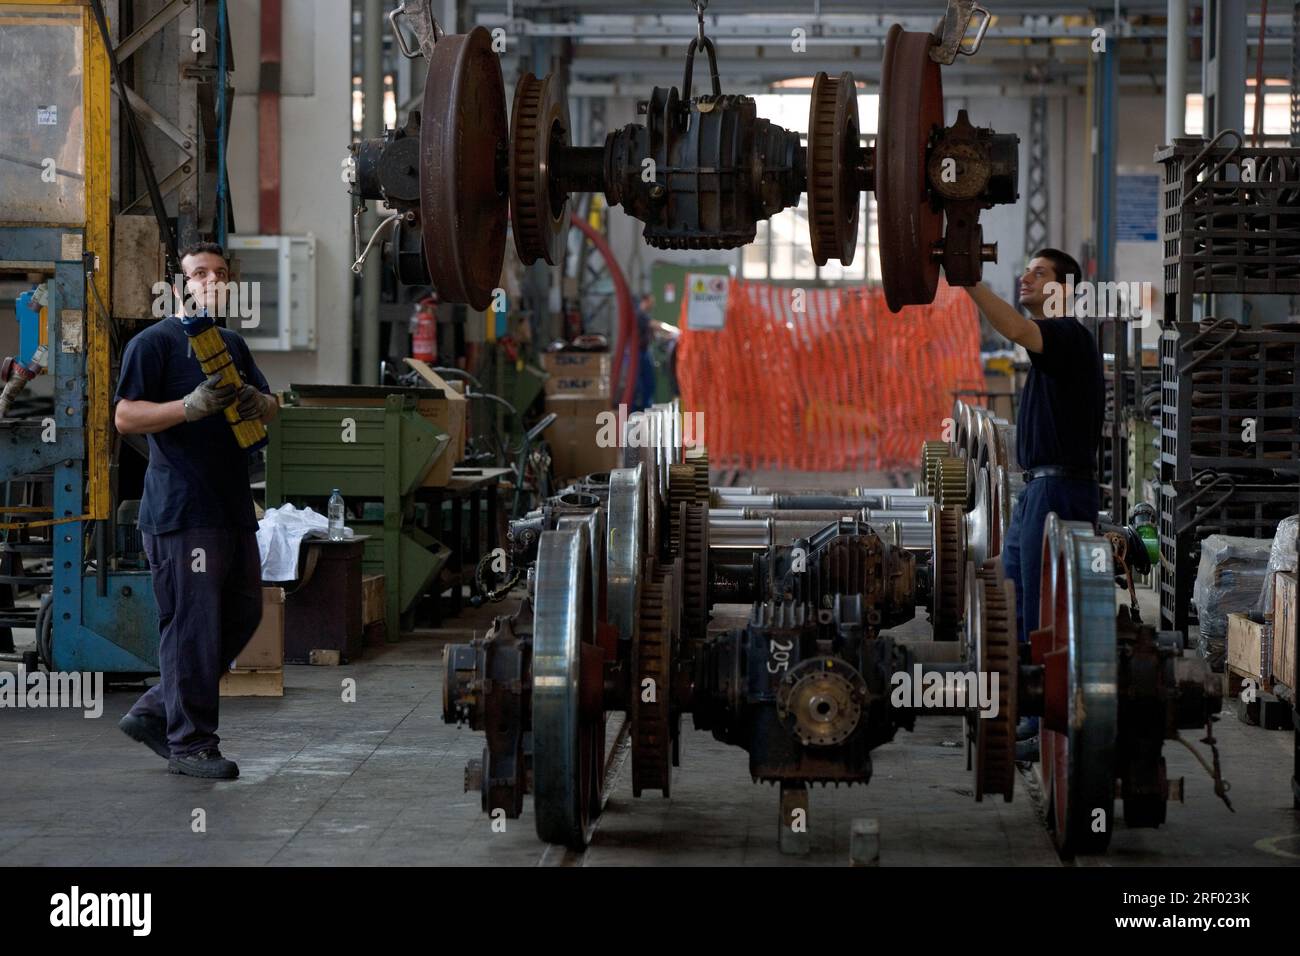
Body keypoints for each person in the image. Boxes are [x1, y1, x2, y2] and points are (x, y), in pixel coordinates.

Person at [113, 242, 279, 779]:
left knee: (244, 614)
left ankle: (155, 711)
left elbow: (271, 405)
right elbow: (125, 417)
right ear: (177, 283)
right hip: (182, 511)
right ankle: (191, 746)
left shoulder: (231, 344)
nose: (212, 280)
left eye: (221, 274)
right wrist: (188, 407)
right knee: (193, 627)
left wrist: (260, 404)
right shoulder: (153, 344)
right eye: (200, 273)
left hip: (231, 505)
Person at [962, 249, 1103, 760]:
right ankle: (1029, 715)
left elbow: (1017, 331)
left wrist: (968, 281)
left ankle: (1048, 725)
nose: (1026, 276)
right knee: (1020, 596)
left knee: (1047, 613)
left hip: (1061, 490)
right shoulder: (1052, 346)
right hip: (1036, 488)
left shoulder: (1069, 336)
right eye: (1027, 269)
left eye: (1039, 272)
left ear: (1063, 288)